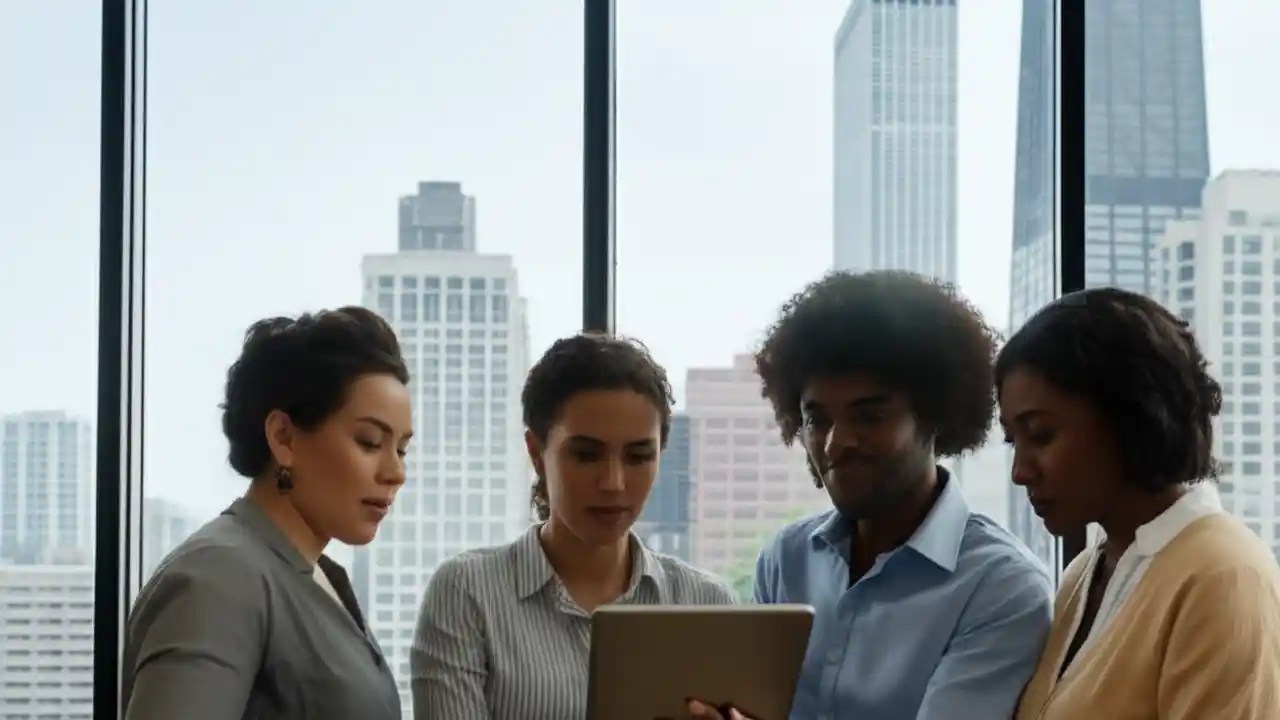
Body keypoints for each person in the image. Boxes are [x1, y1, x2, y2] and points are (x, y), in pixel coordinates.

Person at [741, 270, 1053, 720]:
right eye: (818, 420)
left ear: (935, 417)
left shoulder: (1000, 587)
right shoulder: (786, 560)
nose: (835, 443)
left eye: (869, 417)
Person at [410, 333, 735, 720]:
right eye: (586, 455)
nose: (613, 482)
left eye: (638, 457)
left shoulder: (706, 605)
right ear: (536, 452)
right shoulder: (468, 593)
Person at [1000, 288, 1280, 719]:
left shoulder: (1223, 576)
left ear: (1128, 416)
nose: (1020, 471)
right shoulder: (1083, 574)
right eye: (1011, 441)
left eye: (1040, 435)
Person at [121, 307, 413, 720]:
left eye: (401, 449)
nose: (396, 472)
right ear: (283, 436)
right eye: (369, 442)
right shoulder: (220, 575)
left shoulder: (320, 575)